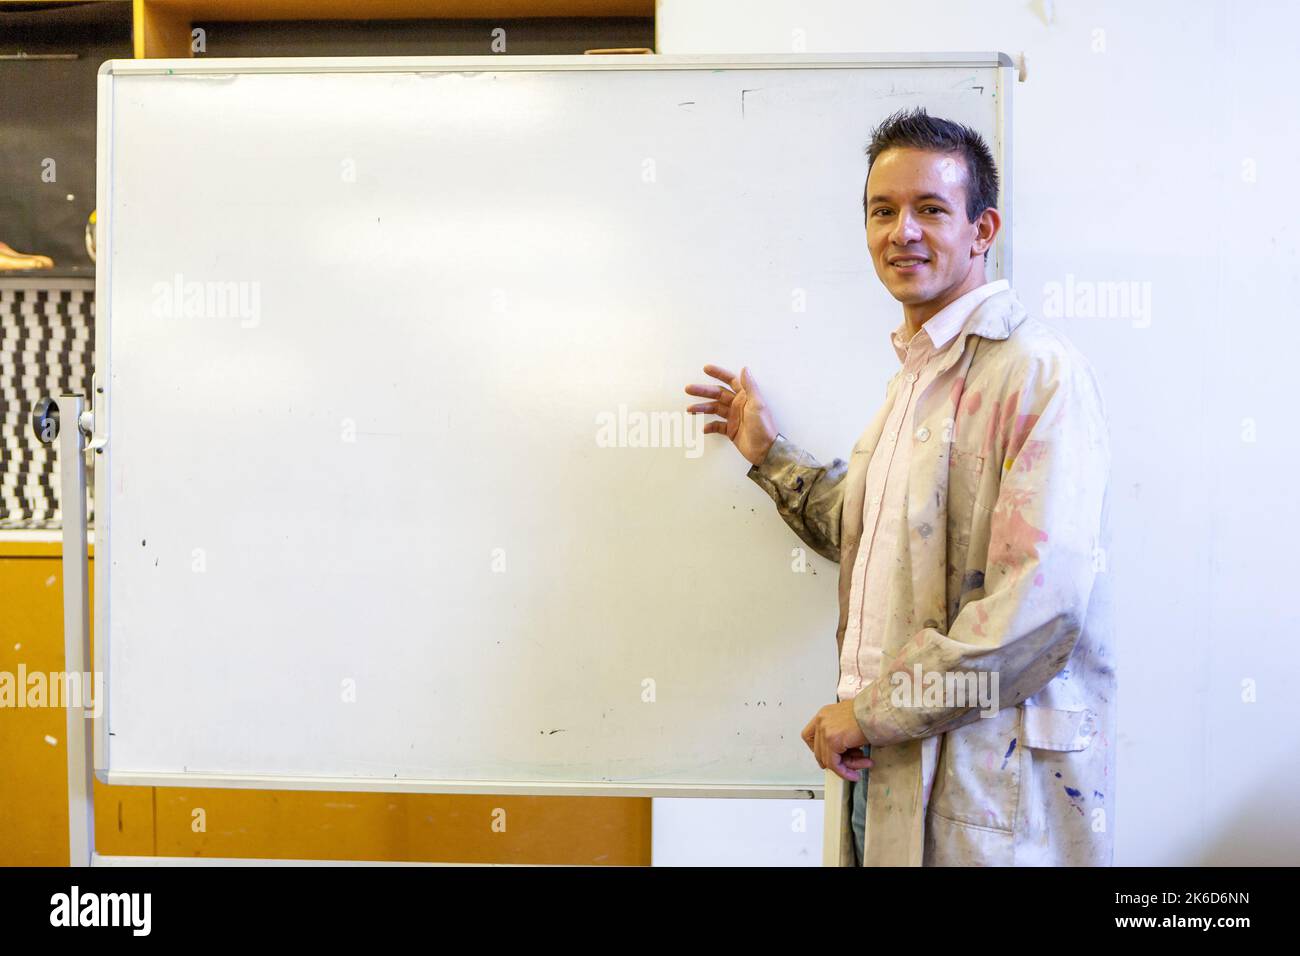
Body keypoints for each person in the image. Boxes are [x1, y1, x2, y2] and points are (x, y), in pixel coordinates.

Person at [685, 107, 1114, 866]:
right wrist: (769, 454)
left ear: (983, 230)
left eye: (930, 210)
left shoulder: (1037, 376)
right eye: (882, 211)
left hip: (977, 791)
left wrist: (874, 713)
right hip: (877, 770)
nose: (901, 232)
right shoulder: (912, 385)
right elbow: (870, 535)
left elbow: (1038, 611)